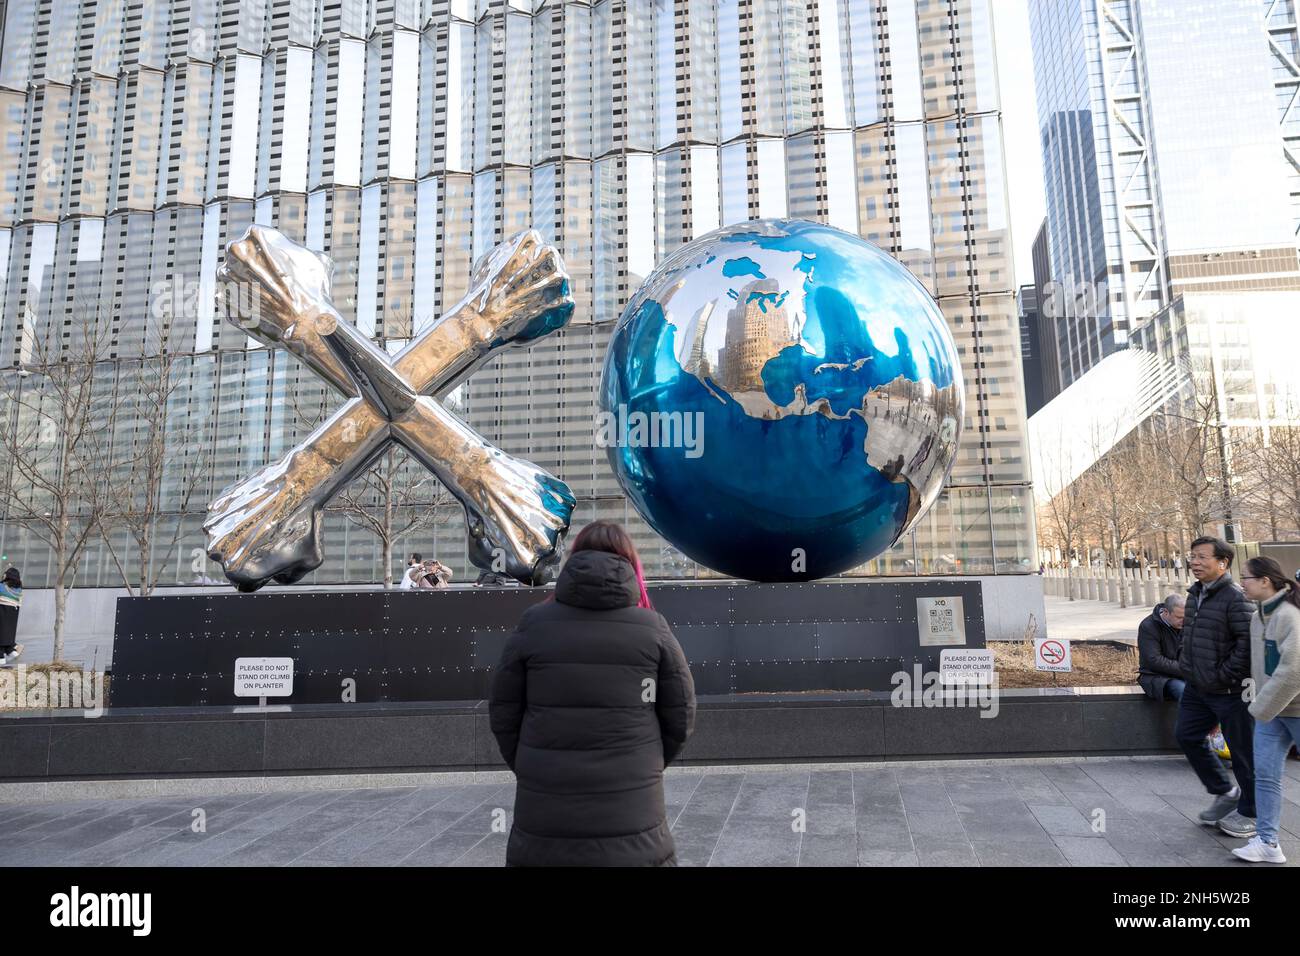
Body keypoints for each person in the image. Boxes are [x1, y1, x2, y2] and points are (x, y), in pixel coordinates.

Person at [489, 520, 696, 866]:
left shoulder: (535, 624)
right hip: (634, 819)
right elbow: (681, 716)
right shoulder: (652, 629)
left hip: (545, 820)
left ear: (573, 560)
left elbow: (504, 713)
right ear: (631, 563)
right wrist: (644, 760)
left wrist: (531, 761)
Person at [1176, 536, 1256, 839]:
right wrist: (1187, 664)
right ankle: (1225, 791)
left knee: (1243, 754)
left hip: (1230, 691)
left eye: (1202, 557)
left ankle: (1251, 812)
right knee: (1186, 736)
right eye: (1192, 556)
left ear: (1222, 563)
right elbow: (1190, 635)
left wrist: (1223, 675)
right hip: (1198, 687)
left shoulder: (1236, 597)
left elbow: (1246, 645)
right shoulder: (1195, 594)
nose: (1194, 562)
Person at [1232, 557, 1300, 863]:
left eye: (1246, 578)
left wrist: (1259, 706)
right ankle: (1268, 842)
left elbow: (1294, 671)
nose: (1242, 583)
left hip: (1293, 708)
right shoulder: (1258, 616)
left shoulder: (1289, 615)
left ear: (1265, 581)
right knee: (1266, 776)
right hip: (1271, 711)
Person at [1138, 594, 1185, 702]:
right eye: (1179, 617)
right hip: (1157, 676)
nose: (1184, 621)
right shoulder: (1148, 626)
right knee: (1184, 691)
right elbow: (1153, 660)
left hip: (1185, 673)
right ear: (1166, 612)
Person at [0, 567, 22, 666]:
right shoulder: (19, 589)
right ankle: (11, 651)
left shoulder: (2, 587)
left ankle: (2, 658)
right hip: (13, 613)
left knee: (1, 635)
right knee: (6, 635)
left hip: (3, 611)